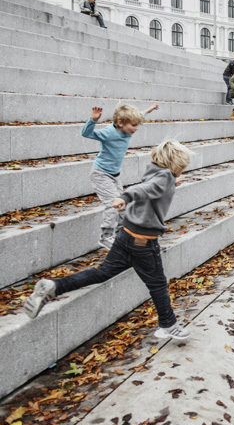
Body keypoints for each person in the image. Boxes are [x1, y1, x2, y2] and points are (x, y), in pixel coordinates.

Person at [23, 140, 193, 340]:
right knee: (157, 284)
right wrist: (125, 196)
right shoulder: (164, 177)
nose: (183, 170)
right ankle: (168, 324)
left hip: (126, 235)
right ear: (175, 164)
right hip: (143, 242)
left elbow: (151, 187)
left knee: (102, 272)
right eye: (182, 167)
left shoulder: (156, 172)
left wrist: (173, 181)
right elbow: (143, 189)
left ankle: (55, 286)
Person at [82, 103, 159, 250]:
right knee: (114, 204)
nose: (136, 129)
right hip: (101, 174)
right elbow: (86, 134)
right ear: (120, 123)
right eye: (134, 125)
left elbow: (140, 115)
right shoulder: (109, 133)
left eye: (137, 125)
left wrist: (151, 108)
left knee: (123, 204)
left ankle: (120, 235)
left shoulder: (127, 126)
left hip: (115, 175)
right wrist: (93, 120)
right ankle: (106, 237)